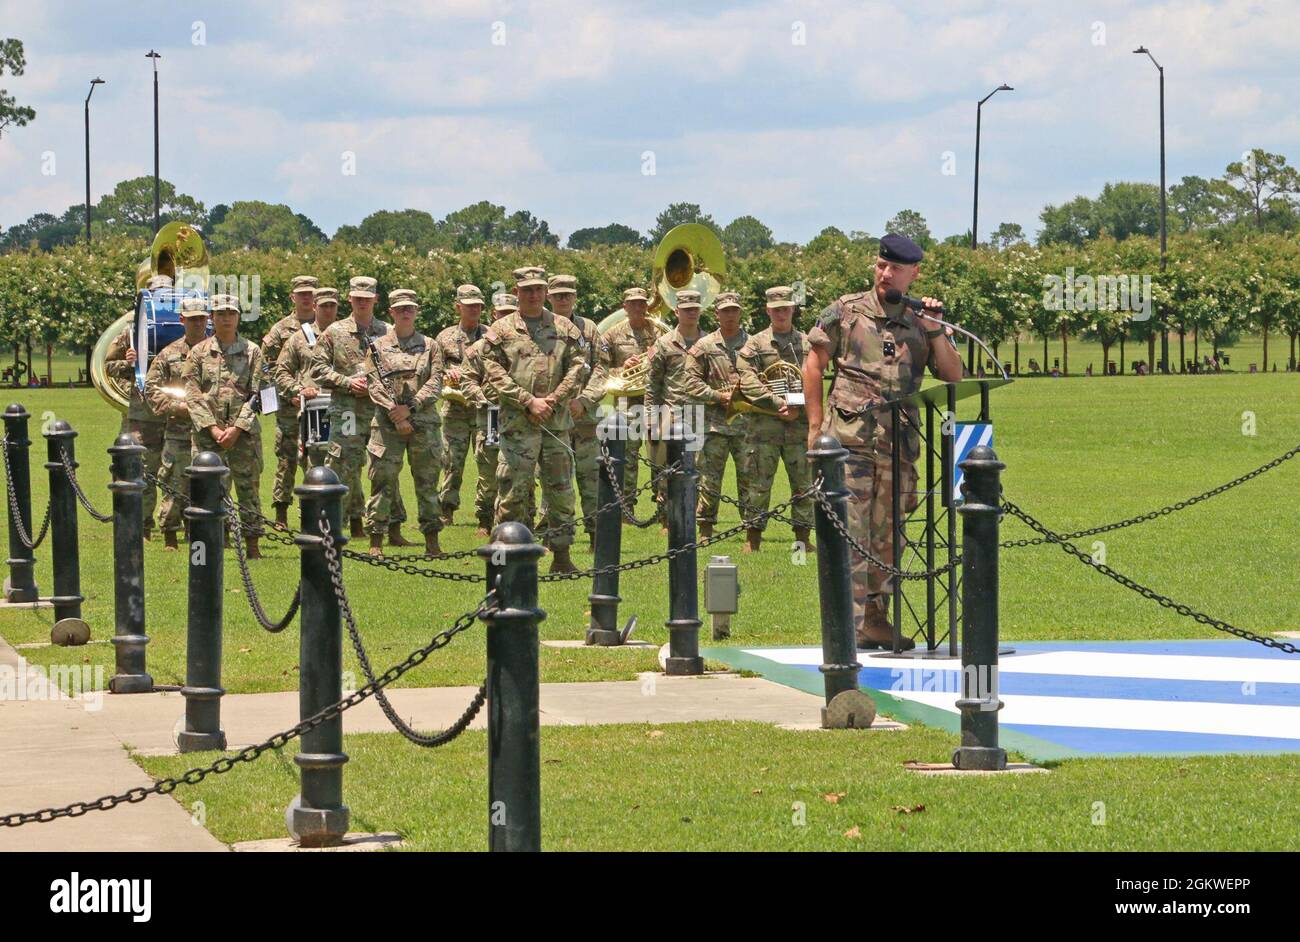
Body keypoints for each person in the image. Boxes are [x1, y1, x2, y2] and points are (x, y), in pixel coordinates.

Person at [802, 233, 963, 650]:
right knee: (850, 533)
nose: (885, 273)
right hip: (849, 444)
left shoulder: (921, 322)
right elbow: (813, 365)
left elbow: (953, 376)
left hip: (898, 449)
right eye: (880, 265)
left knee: (888, 537)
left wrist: (935, 332)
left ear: (914, 274)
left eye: (894, 268)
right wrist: (815, 426)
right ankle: (846, 624)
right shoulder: (846, 311)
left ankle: (875, 619)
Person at [480, 266, 587, 572]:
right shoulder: (501, 330)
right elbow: (492, 369)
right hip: (518, 426)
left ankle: (562, 558)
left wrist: (553, 400)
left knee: (561, 493)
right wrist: (528, 401)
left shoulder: (565, 328)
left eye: (539, 289)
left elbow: (577, 366)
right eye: (527, 290)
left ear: (545, 292)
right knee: (513, 492)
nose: (534, 295)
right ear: (517, 293)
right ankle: (507, 559)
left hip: (556, 423)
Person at [182, 293, 267, 558]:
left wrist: (237, 428)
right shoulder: (198, 353)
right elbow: (192, 394)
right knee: (210, 490)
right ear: (212, 318)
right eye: (220, 314)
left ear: (239, 317)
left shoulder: (253, 351)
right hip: (209, 436)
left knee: (248, 488)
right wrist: (214, 428)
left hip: (244, 436)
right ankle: (214, 543)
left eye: (231, 313)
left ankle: (252, 546)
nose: (226, 318)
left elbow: (259, 394)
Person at [363, 289, 445, 556]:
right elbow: (373, 384)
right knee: (382, 481)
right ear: (392, 313)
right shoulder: (376, 347)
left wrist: (409, 408)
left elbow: (435, 382)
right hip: (387, 425)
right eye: (400, 309)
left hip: (424, 423)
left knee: (427, 482)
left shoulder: (431, 346)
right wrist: (394, 412)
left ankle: (432, 543)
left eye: (410, 308)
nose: (406, 312)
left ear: (416, 311)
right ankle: (376, 542)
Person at [736, 285, 815, 552]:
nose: (781, 314)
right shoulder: (755, 343)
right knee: (758, 484)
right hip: (764, 427)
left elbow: (814, 380)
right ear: (767, 311)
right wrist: (779, 402)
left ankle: (803, 541)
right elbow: (746, 380)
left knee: (803, 484)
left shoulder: (806, 343)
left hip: (798, 427)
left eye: (785, 309)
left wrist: (794, 405)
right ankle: (753, 540)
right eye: (776, 310)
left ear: (792, 309)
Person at [310, 276, 390, 538]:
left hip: (381, 410)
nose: (363, 303)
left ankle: (390, 526)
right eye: (358, 298)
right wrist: (346, 382)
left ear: (375, 300)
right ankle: (340, 525)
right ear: (350, 299)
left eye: (367, 299)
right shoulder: (334, 332)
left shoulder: (388, 332)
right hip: (347, 409)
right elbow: (317, 369)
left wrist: (376, 386)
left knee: (385, 467)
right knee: (344, 466)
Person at [104, 272, 172, 539]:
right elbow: (109, 365)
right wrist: (130, 363)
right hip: (142, 412)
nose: (161, 298)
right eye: (157, 293)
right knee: (142, 467)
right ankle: (143, 525)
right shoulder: (132, 328)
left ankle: (177, 523)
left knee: (176, 470)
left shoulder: (186, 324)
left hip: (176, 409)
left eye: (167, 293)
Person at [544, 274, 608, 546]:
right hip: (552, 418)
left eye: (568, 295)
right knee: (553, 479)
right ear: (549, 297)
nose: (563, 299)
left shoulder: (589, 328)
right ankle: (552, 535)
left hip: (584, 418)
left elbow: (602, 368)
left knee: (590, 477)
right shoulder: (540, 328)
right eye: (558, 295)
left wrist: (585, 400)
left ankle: (596, 535)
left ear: (575, 297)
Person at [683, 290, 751, 540]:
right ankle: (705, 530)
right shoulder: (704, 346)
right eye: (725, 311)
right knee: (709, 482)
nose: (730, 315)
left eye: (734, 310)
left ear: (740, 312)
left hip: (747, 426)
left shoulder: (753, 344)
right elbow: (690, 383)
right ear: (716, 314)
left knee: (750, 480)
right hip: (714, 427)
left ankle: (751, 530)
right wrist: (718, 397)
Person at [144, 296, 210, 551]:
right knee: (173, 483)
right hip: (179, 430)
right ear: (182, 320)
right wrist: (177, 408)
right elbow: (151, 388)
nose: (197, 324)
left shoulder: (218, 351)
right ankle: (170, 536)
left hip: (210, 431)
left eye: (201, 319)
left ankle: (209, 532)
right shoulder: (168, 354)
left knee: (212, 484)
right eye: (192, 319)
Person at [260, 274, 319, 527]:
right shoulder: (280, 330)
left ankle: (315, 510)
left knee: (316, 457)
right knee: (286, 460)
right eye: (302, 294)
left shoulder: (328, 326)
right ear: (292, 297)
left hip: (318, 404)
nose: (307, 298)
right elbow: (267, 368)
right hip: (288, 406)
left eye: (311, 293)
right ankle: (281, 513)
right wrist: (289, 394)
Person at [460, 292, 520, 535]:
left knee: (520, 470)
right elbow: (467, 380)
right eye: (501, 313)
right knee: (489, 470)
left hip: (519, 416)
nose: (505, 317)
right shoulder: (478, 348)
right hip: (491, 416)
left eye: (509, 313)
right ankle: (485, 520)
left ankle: (520, 521)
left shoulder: (523, 346)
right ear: (493, 315)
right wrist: (481, 399)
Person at [434, 285, 488, 526]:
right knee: (452, 462)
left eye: (478, 305)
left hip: (482, 408)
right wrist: (450, 372)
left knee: (486, 461)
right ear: (459, 307)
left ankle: (486, 514)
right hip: (454, 409)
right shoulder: (444, 337)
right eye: (470, 306)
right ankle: (446, 509)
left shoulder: (491, 334)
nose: (475, 309)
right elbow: (434, 369)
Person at [602, 287, 665, 494]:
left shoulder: (661, 332)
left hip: (657, 400)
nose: (638, 307)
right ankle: (626, 506)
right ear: (625, 307)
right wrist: (624, 368)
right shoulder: (612, 334)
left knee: (659, 454)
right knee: (628, 455)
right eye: (633, 303)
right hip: (626, 403)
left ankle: (662, 508)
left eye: (642, 303)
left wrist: (656, 359)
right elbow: (601, 369)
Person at [274, 287, 340, 470]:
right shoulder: (299, 338)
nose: (328, 310)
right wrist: (298, 390)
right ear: (314, 306)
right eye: (323, 305)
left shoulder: (349, 336)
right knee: (315, 469)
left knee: (347, 470)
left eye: (331, 306)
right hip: (314, 410)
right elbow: (281, 371)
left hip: (344, 410)